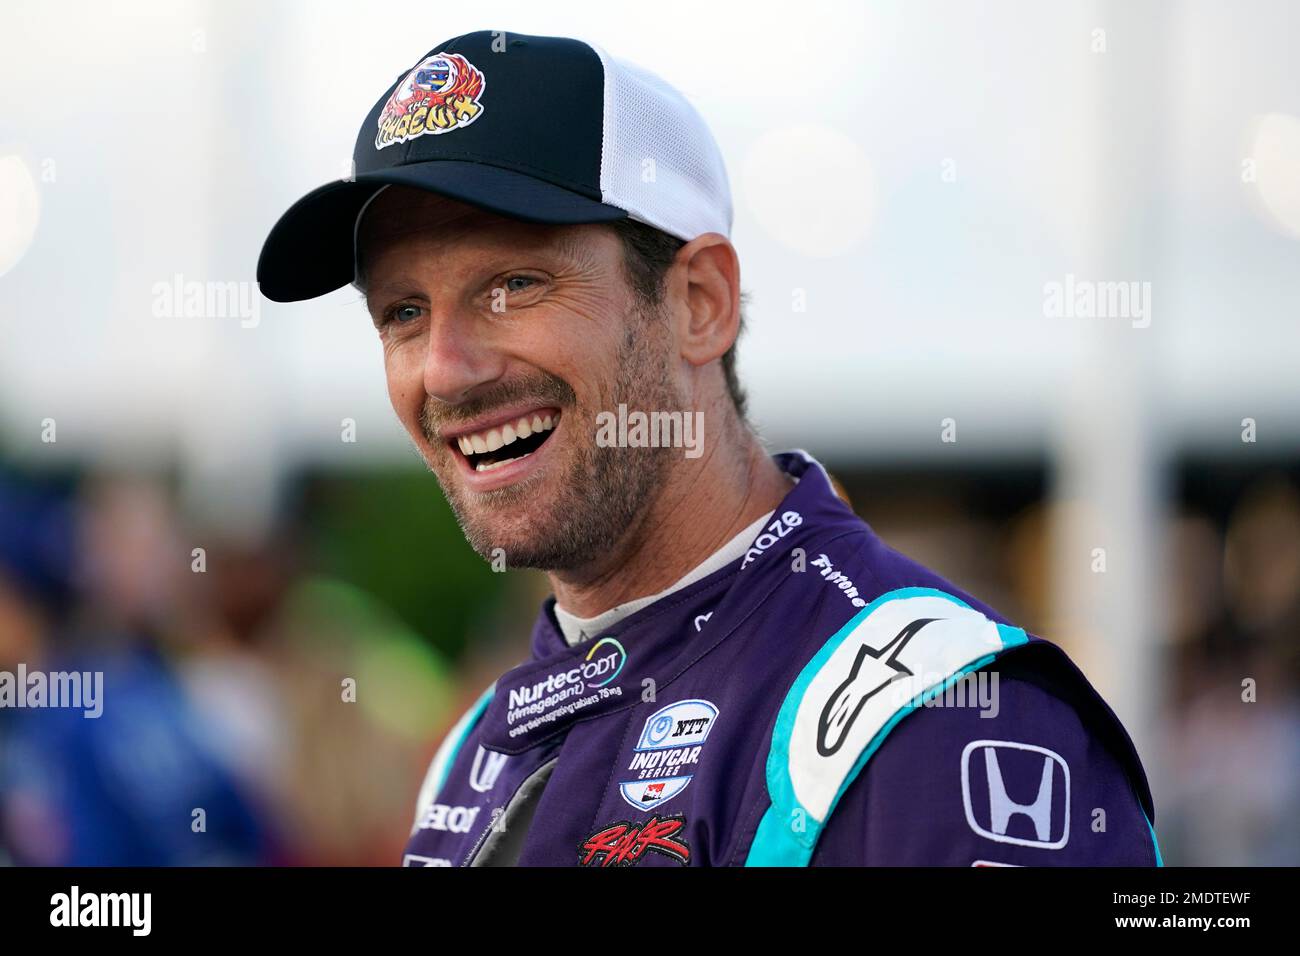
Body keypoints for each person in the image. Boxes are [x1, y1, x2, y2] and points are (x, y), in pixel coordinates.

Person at [257, 30, 1159, 866]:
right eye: (404, 313)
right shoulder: (476, 750)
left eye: (514, 285)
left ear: (700, 302)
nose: (446, 370)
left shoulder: (935, 721)